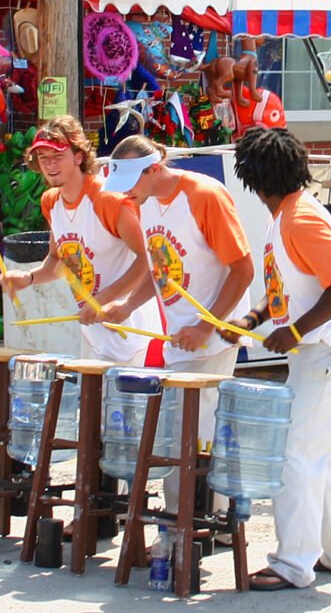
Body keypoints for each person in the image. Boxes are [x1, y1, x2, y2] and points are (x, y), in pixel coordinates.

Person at [226, 129, 331, 592]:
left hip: (329, 349)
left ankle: (293, 564)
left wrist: (295, 330)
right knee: (319, 455)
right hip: (320, 349)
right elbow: (284, 289)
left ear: (252, 179)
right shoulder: (284, 216)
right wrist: (252, 318)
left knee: (298, 456)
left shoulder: (301, 217)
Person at [104, 135, 255, 513]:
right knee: (195, 429)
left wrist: (206, 326)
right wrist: (127, 305)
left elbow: (243, 270)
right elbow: (160, 272)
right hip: (180, 333)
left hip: (214, 332)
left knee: (190, 432)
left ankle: (182, 525)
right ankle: (213, 518)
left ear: (154, 169)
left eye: (130, 184)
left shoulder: (204, 194)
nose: (126, 195)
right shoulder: (147, 201)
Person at [0, 116, 158, 365]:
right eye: (43, 158)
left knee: (124, 403)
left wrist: (103, 300)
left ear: (79, 156)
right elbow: (57, 261)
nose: (50, 164)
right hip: (92, 328)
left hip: (130, 327)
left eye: (57, 156)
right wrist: (28, 278)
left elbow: (145, 260)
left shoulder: (109, 200)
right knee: (92, 402)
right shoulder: (51, 201)